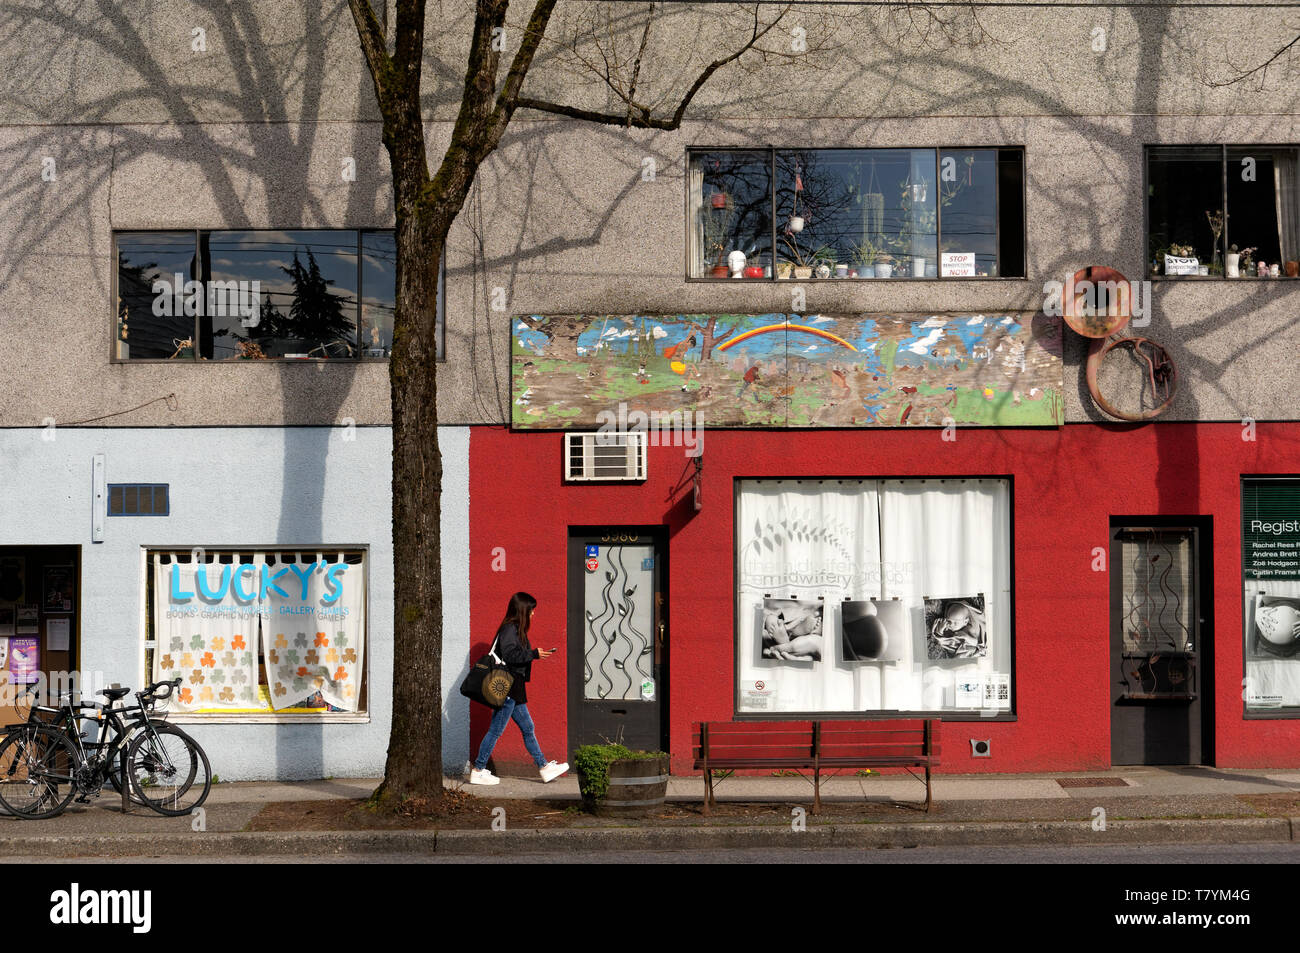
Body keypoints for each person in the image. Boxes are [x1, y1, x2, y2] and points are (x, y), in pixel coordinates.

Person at [470, 592, 570, 785]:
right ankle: (478, 769)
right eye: (532, 610)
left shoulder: (515, 629)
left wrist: (533, 654)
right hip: (508, 687)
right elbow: (509, 655)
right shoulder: (510, 628)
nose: (533, 614)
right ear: (523, 610)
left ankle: (544, 767)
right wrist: (533, 654)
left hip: (514, 687)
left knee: (527, 727)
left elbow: (514, 654)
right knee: (496, 730)